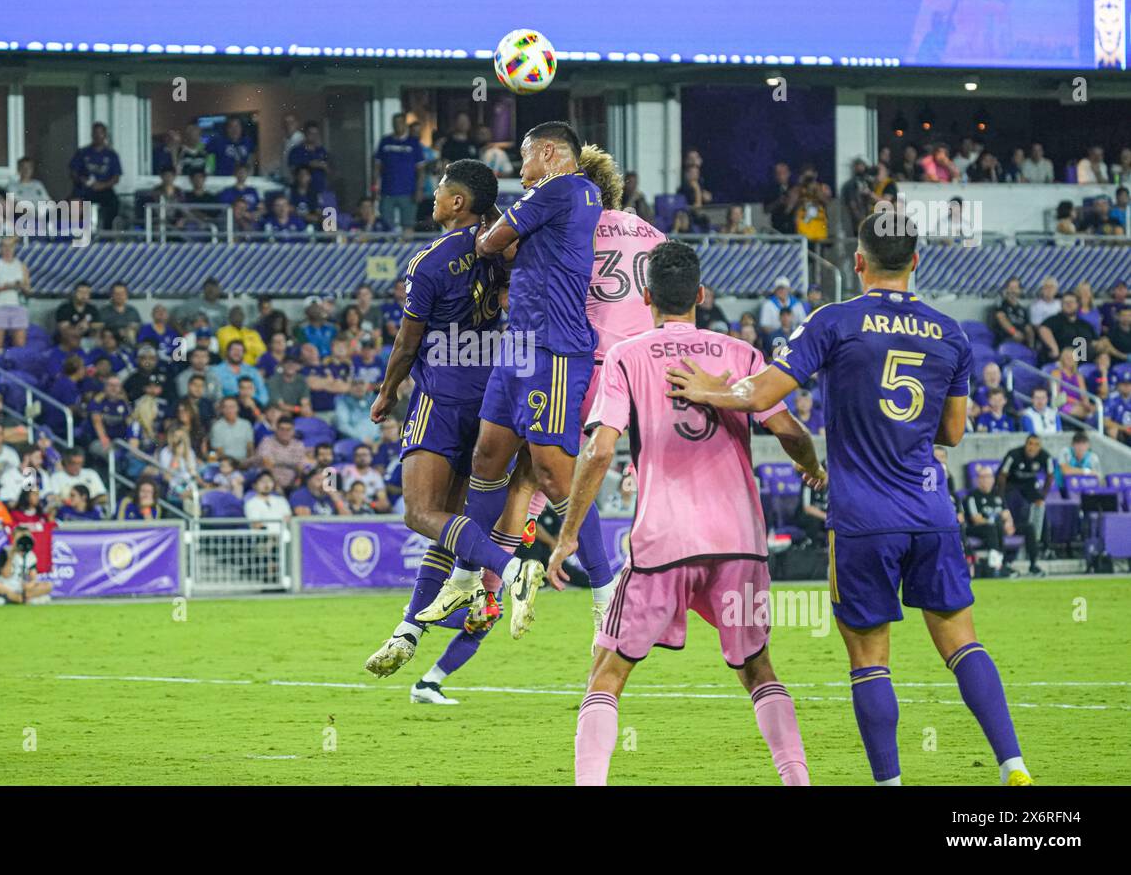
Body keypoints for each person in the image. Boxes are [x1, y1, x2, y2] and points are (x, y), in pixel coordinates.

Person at [666, 209, 1032, 786]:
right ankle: (1015, 765)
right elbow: (954, 434)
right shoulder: (951, 332)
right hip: (931, 512)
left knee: (870, 659)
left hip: (863, 517)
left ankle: (889, 783)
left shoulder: (835, 321)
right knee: (963, 643)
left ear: (857, 262)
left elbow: (763, 391)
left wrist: (709, 389)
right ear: (916, 261)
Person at [552, 240, 820, 786]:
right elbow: (790, 431)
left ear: (646, 296)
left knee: (608, 672)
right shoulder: (741, 354)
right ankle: (797, 781)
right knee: (758, 668)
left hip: (663, 540)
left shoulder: (626, 356)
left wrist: (568, 535)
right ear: (701, 295)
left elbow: (600, 449)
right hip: (740, 541)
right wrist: (812, 467)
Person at [414, 123, 615, 643]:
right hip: (519, 347)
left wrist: (496, 235)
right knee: (487, 456)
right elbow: (504, 248)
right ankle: (463, 579)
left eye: (524, 156)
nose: (518, 169)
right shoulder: (563, 197)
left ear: (548, 153)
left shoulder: (560, 188)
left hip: (554, 348)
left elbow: (487, 244)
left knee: (552, 473)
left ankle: (606, 594)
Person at [364, 159, 508, 687]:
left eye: (440, 191)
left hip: (441, 399)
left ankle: (510, 571)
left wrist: (385, 394)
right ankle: (408, 629)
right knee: (450, 525)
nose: (432, 197)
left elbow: (407, 341)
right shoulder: (506, 247)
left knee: (420, 513)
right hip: (491, 401)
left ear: (456, 203)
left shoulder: (428, 261)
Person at [996, 434, 1051, 578]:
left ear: (1040, 447)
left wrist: (1042, 496)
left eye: (1036, 444)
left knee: (1040, 508)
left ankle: (1046, 546)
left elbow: (1050, 475)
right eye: (1030, 444)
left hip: (1028, 486)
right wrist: (1001, 500)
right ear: (1026, 444)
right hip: (1011, 485)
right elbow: (1002, 475)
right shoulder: (1013, 455)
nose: (1032, 447)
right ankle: (1008, 556)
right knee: (1014, 501)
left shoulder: (1045, 457)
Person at [964, 466, 1013, 578]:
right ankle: (995, 564)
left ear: (993, 479)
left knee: (1028, 528)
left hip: (998, 528)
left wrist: (1009, 523)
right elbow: (976, 520)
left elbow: (1007, 514)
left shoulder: (998, 495)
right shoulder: (972, 497)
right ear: (977, 480)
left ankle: (1032, 565)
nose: (986, 480)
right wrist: (997, 518)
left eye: (988, 477)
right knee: (992, 527)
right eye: (982, 477)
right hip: (975, 529)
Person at [0, 236, 31, 351]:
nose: (7, 249)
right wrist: (5, 287)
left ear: (14, 248)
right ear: (0, 248)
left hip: (18, 306)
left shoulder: (21, 266)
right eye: (4, 246)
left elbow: (28, 290)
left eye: (10, 246)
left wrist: (21, 286)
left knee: (20, 345)